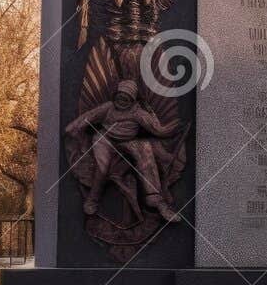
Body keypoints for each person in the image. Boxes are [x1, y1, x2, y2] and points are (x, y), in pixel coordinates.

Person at [65, 79, 182, 228]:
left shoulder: (139, 113)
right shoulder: (108, 107)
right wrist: (75, 127)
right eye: (120, 96)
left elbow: (158, 130)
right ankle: (92, 199)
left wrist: (167, 124)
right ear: (115, 95)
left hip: (128, 140)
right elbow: (89, 117)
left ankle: (156, 200)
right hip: (105, 138)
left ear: (133, 100)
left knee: (145, 150)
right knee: (103, 166)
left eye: (126, 98)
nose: (122, 100)